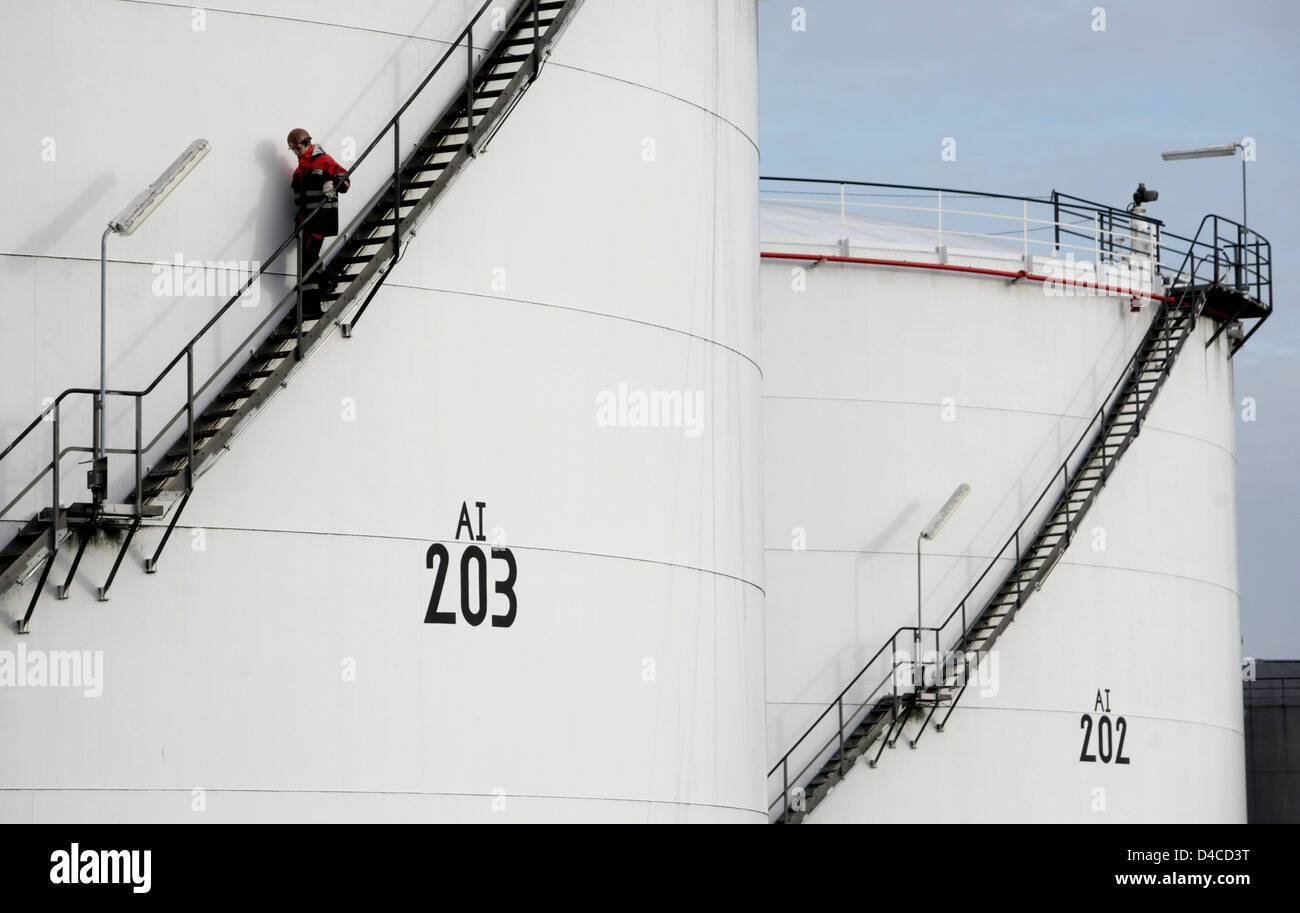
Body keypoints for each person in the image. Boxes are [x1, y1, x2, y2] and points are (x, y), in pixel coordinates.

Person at [287, 128, 350, 317]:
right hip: (305, 222)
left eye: (297, 148)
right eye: (293, 150)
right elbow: (301, 200)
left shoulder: (324, 161)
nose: (296, 153)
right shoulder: (299, 170)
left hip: (321, 219)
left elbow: (345, 180)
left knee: (307, 260)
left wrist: (332, 184)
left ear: (307, 143)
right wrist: (297, 223)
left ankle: (312, 306)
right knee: (308, 260)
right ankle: (328, 278)